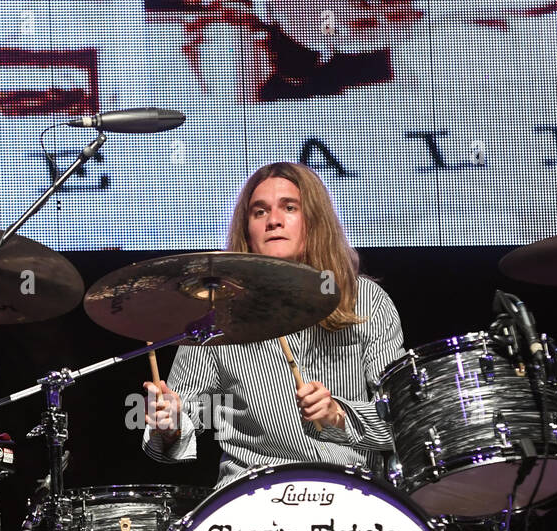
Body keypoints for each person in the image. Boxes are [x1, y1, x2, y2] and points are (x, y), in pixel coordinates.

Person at [142, 161, 405, 488]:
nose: (274, 221)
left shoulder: (364, 299)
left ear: (314, 221)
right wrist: (169, 426)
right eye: (260, 212)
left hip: (348, 491)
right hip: (251, 496)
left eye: (289, 207)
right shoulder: (216, 314)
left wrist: (338, 415)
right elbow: (175, 432)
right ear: (247, 231)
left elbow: (403, 420)